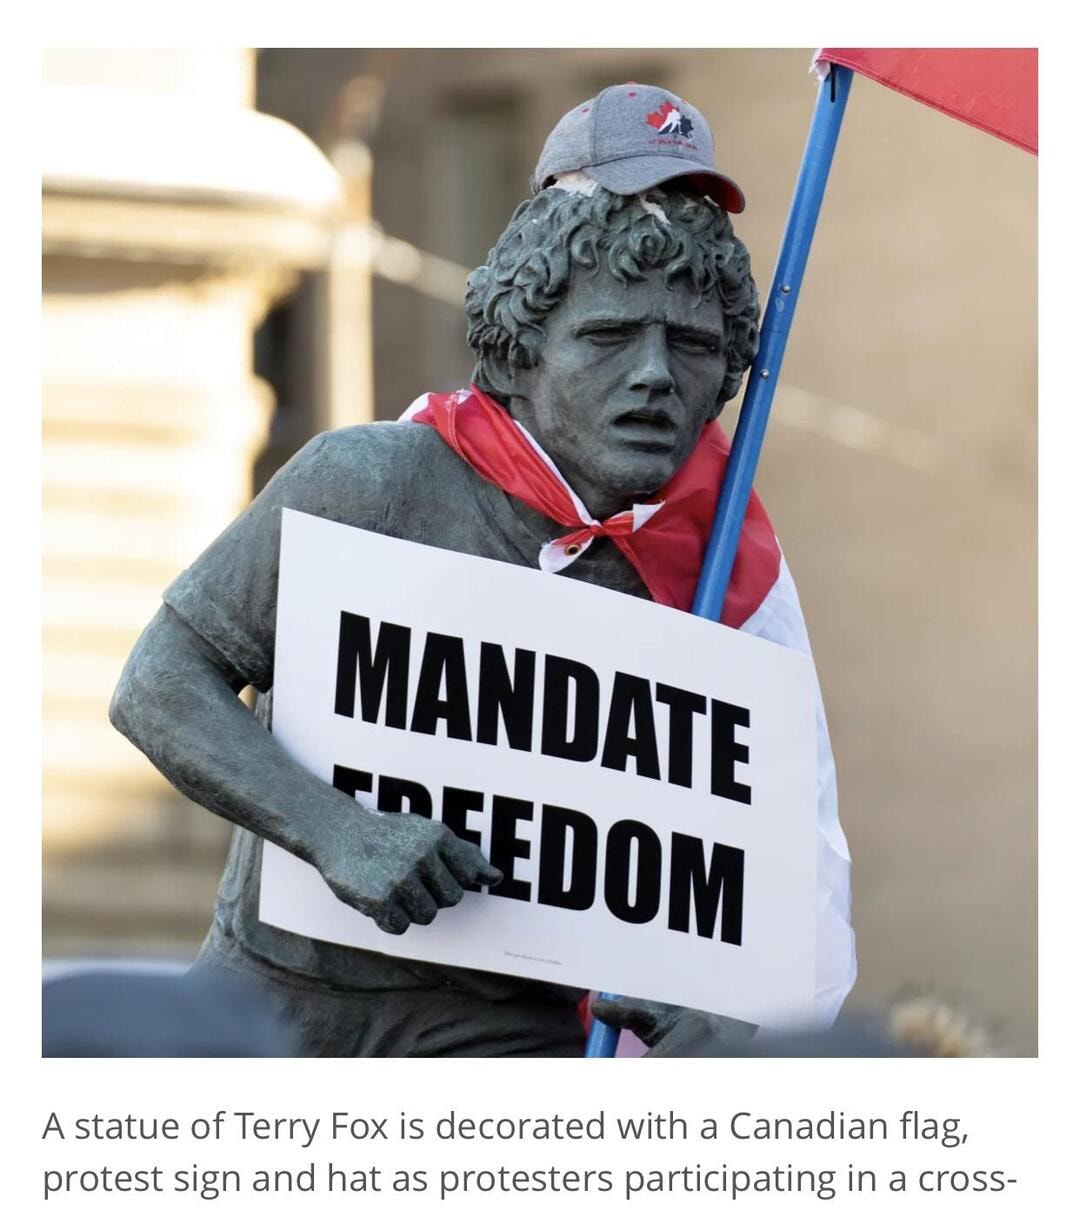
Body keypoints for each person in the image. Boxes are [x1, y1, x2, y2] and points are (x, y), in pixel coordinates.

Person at [109, 84, 855, 1057]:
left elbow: (753, 896)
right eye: (607, 336)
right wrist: (336, 830)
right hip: (276, 1021)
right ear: (518, 348)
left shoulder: (705, 593)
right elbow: (156, 684)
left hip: (507, 1055)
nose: (655, 377)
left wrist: (714, 1010)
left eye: (693, 347)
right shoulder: (370, 481)